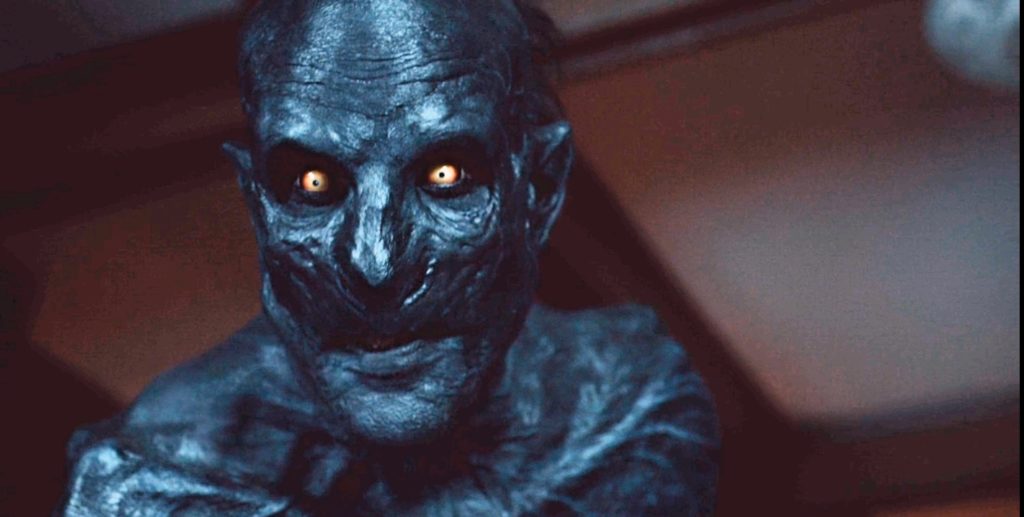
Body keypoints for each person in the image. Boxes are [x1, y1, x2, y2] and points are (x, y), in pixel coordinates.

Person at [60, 1, 719, 514]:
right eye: (313, 183)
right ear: (256, 202)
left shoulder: (637, 411)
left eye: (444, 176)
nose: (373, 262)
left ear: (539, 189)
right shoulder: (149, 494)